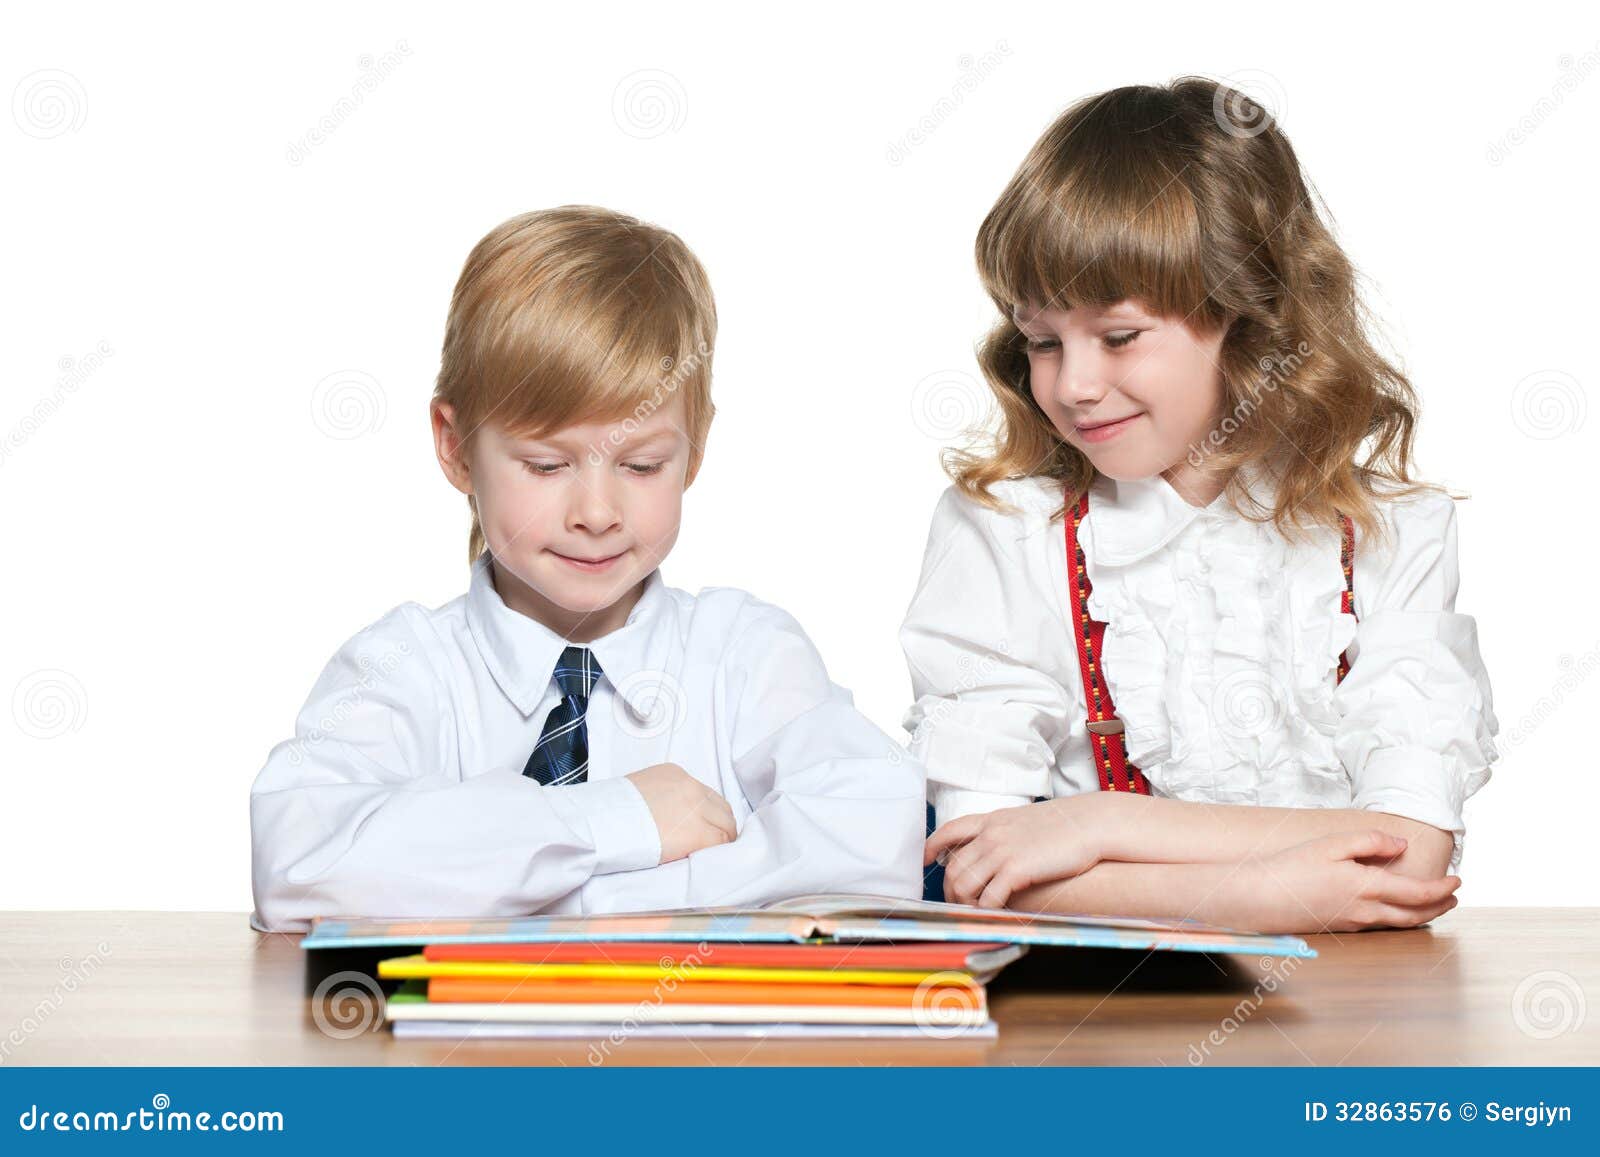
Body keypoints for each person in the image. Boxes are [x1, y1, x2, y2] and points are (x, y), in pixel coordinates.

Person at [903, 79, 1497, 934]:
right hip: (1089, 1033)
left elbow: (1407, 857)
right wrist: (1275, 889)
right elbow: (979, 872)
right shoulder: (1004, 532)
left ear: (1247, 321)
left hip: (1350, 1029)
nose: (1072, 384)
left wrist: (1098, 824)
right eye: (1042, 340)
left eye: (1118, 337)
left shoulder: (1391, 534)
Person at [250, 206, 924, 932]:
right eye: (547, 464)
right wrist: (615, 821)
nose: (597, 511)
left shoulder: (743, 654)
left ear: (694, 450)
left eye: (642, 464)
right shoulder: (403, 667)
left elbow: (874, 841)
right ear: (454, 447)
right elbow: (302, 862)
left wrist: (567, 902)